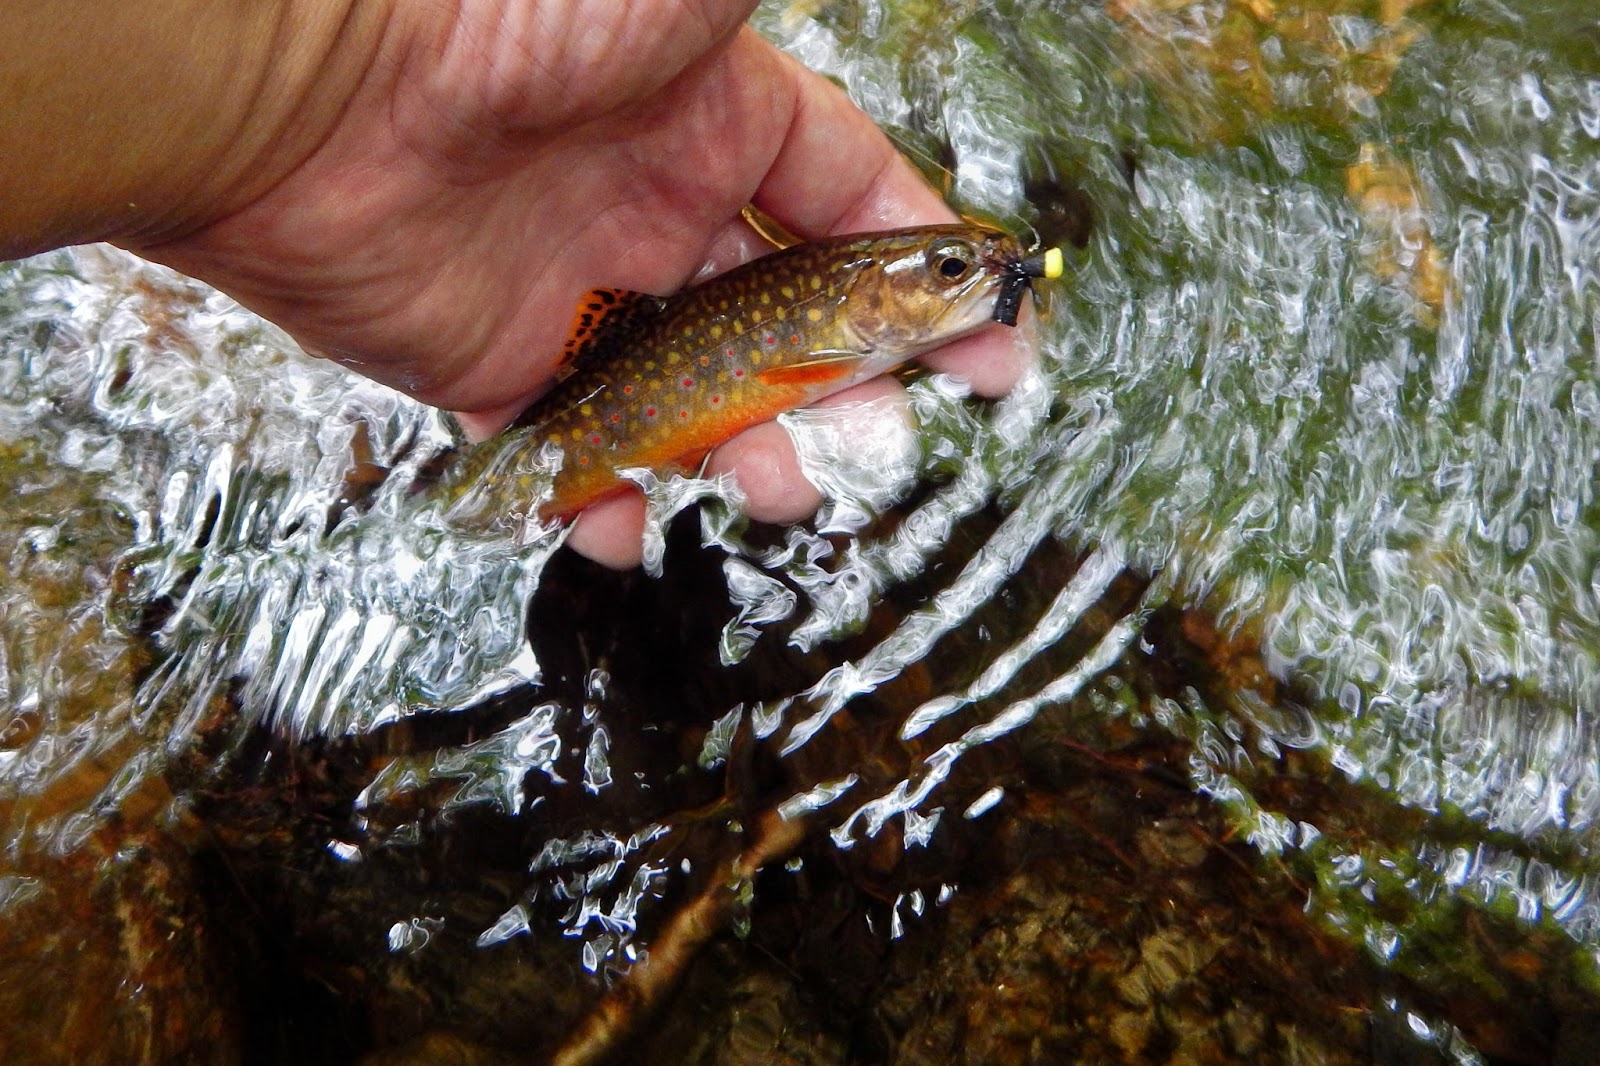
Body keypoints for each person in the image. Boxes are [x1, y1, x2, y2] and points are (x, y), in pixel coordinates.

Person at [2, 0, 1028, 567]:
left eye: (959, 270)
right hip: (587, 425)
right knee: (503, 515)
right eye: (945, 268)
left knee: (526, 514)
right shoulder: (830, 334)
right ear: (869, 301)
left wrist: (307, 83)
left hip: (594, 423)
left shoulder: (843, 321)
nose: (977, 272)